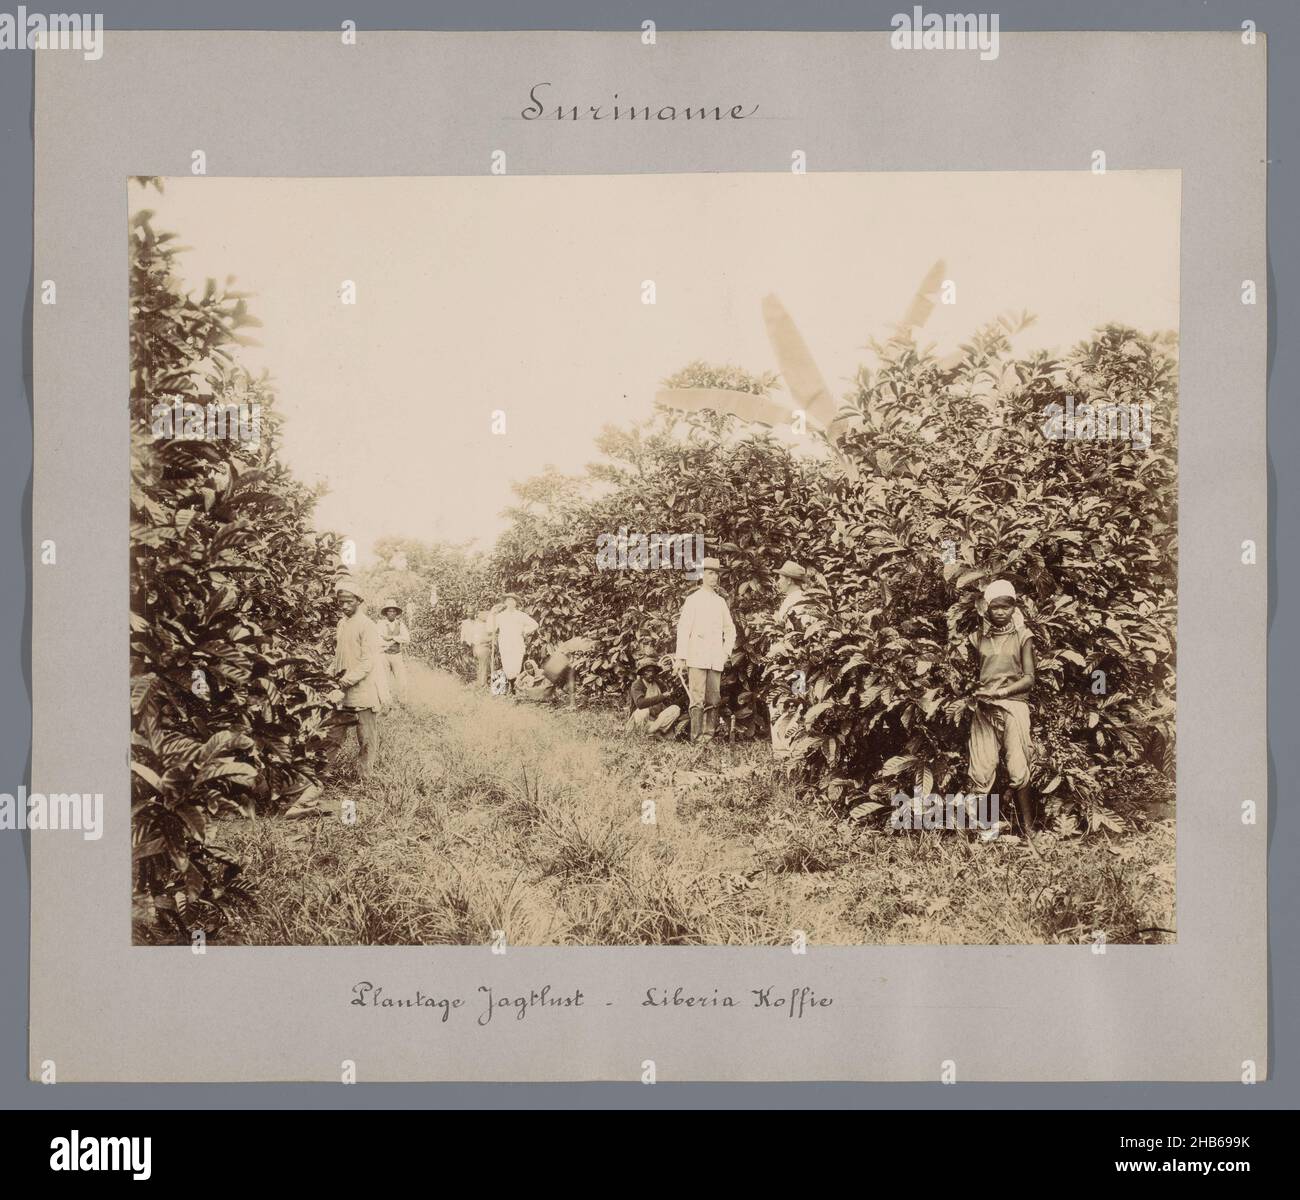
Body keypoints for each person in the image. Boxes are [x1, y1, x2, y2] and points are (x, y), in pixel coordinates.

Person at [285, 578, 384, 818]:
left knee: (367, 740)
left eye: (348, 601)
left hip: (362, 691)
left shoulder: (367, 625)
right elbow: (341, 656)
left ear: (359, 601)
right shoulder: (342, 623)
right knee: (330, 739)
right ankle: (314, 784)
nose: (343, 605)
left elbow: (368, 662)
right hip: (342, 692)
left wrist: (344, 681)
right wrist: (328, 674)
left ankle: (366, 784)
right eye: (340, 601)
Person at [967, 578, 1039, 851]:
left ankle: (1029, 831)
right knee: (981, 768)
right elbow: (975, 674)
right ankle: (986, 834)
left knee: (1019, 768)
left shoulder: (1023, 636)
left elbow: (1030, 679)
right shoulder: (977, 638)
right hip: (984, 708)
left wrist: (1001, 693)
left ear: (1013, 607)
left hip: (1013, 706)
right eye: (994, 607)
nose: (1000, 612)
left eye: (1005, 607)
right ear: (986, 608)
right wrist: (982, 694)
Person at [673, 557, 736, 741]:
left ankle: (708, 736)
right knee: (696, 699)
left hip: (715, 659)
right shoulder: (693, 600)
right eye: (709, 573)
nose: (713, 577)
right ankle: (696, 738)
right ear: (702, 575)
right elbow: (683, 630)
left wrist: (726, 653)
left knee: (713, 699)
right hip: (697, 657)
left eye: (716, 573)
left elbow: (730, 629)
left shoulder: (720, 602)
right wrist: (680, 658)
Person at [768, 560, 808, 758]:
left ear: (790, 580)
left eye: (780, 578)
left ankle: (786, 747)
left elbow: (795, 634)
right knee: (794, 698)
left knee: (786, 699)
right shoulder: (797, 598)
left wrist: (779, 649)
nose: (778, 582)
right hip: (795, 659)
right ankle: (791, 746)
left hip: (791, 661)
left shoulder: (796, 601)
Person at [492, 593, 538, 694]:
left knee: (516, 665)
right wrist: (492, 615)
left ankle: (515, 689)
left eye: (513, 600)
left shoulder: (521, 615)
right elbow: (492, 629)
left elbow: (535, 624)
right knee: (507, 665)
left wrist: (524, 631)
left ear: (516, 603)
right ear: (505, 602)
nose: (510, 602)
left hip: (517, 643)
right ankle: (508, 687)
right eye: (508, 600)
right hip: (505, 643)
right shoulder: (500, 616)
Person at [626, 657, 682, 736]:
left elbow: (667, 704)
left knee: (675, 709)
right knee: (643, 711)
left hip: (657, 721)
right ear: (642, 673)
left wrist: (675, 697)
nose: (651, 674)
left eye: (653, 671)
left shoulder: (659, 684)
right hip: (642, 720)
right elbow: (640, 704)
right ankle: (646, 732)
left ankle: (650, 732)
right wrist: (662, 696)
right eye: (648, 671)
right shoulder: (637, 685)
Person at [376, 598, 410, 703]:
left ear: (396, 613)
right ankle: (386, 703)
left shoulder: (400, 624)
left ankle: (403, 701)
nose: (391, 613)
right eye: (389, 611)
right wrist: (388, 642)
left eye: (393, 611)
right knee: (384, 680)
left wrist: (392, 638)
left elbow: (407, 639)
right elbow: (378, 640)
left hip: (396, 655)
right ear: (386, 613)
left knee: (402, 680)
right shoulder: (380, 624)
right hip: (384, 655)